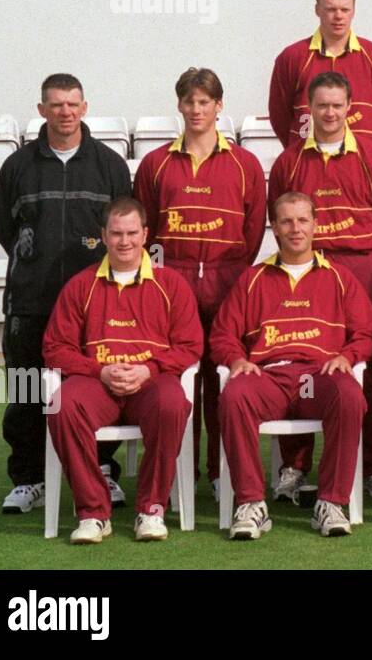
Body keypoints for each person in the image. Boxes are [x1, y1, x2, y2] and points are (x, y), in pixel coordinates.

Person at [0, 73, 132, 515]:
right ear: (41, 110)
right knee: (28, 389)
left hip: (97, 306)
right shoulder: (16, 167)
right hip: (30, 303)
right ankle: (29, 478)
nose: (65, 112)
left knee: (96, 387)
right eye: (56, 105)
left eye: (72, 104)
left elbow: (122, 232)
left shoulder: (110, 165)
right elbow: (7, 231)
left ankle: (103, 472)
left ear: (85, 107)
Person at [210, 192, 372, 539]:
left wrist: (346, 357)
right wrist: (237, 359)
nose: (295, 229)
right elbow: (222, 334)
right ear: (274, 227)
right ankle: (251, 502)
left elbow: (365, 333)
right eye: (286, 221)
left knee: (350, 395)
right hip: (268, 377)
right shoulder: (253, 278)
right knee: (233, 396)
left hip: (318, 376)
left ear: (316, 225)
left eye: (302, 220)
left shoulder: (340, 277)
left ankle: (331, 501)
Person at [133, 67, 266, 500]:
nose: (196, 109)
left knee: (223, 379)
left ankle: (218, 472)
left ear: (219, 106)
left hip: (229, 282)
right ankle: (179, 473)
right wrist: (166, 280)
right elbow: (145, 230)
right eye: (189, 101)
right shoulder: (155, 164)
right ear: (179, 105)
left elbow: (253, 231)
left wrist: (229, 272)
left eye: (204, 102)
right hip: (174, 284)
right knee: (176, 380)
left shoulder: (245, 164)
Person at [267, 72, 372, 499]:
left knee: (362, 364)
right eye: (321, 105)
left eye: (337, 105)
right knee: (297, 356)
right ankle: (295, 465)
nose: (329, 113)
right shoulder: (289, 160)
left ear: (349, 108)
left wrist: (360, 253)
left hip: (357, 266)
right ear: (309, 109)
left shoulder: (371, 155)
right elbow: (282, 215)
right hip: (305, 270)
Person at [43, 198, 202, 543]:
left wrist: (149, 369)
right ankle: (93, 513)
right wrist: (98, 371)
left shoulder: (170, 283)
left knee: (173, 403)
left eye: (132, 232)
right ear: (103, 235)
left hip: (151, 383)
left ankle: (152, 508)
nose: (124, 241)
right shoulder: (80, 285)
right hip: (97, 384)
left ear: (146, 234)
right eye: (116, 233)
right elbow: (55, 348)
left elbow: (191, 346)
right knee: (62, 405)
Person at [268, 0, 372, 147]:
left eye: (345, 9)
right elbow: (279, 116)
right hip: (308, 161)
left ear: (353, 11)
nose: (338, 16)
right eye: (331, 9)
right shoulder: (292, 57)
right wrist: (297, 152)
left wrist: (370, 156)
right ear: (317, 10)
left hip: (362, 163)